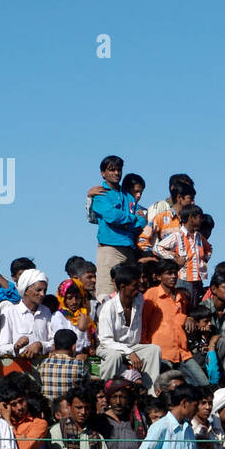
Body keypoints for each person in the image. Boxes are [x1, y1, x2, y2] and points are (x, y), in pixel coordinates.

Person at [97, 262, 163, 387]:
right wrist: (129, 352)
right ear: (122, 287)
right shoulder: (108, 308)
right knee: (115, 356)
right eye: (135, 286)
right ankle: (103, 390)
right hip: (109, 347)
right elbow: (106, 341)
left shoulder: (139, 300)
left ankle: (150, 395)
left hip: (131, 346)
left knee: (154, 350)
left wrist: (130, 351)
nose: (138, 289)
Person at [89, 155, 146, 297]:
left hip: (129, 249)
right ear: (103, 173)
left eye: (118, 170)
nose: (116, 173)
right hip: (110, 248)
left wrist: (128, 222)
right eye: (112, 170)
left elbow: (142, 220)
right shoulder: (100, 194)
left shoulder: (128, 196)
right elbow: (112, 216)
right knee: (107, 294)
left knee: (131, 294)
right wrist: (132, 220)